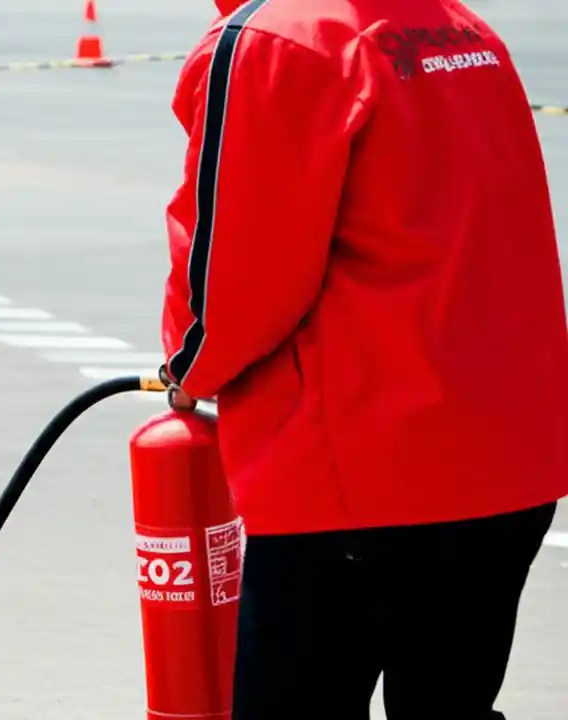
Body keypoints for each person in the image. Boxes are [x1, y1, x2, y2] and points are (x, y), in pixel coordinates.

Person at [160, 0, 567, 718]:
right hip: (508, 467)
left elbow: (239, 273)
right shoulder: (463, 29)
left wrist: (188, 368)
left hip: (360, 476)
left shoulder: (275, 38)